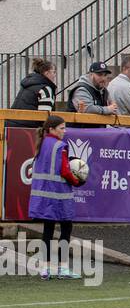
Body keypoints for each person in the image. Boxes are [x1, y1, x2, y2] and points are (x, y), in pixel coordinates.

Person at [28, 113, 88, 279]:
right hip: (59, 194)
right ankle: (62, 268)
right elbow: (65, 171)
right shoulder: (60, 146)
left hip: (44, 195)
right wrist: (77, 181)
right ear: (51, 129)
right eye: (62, 128)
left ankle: (45, 268)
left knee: (48, 230)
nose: (64, 131)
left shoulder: (41, 144)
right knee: (66, 228)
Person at [11, 58, 57, 123]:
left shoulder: (27, 85)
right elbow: (44, 117)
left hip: (10, 125)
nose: (55, 75)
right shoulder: (45, 89)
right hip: (29, 128)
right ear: (47, 73)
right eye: (54, 72)